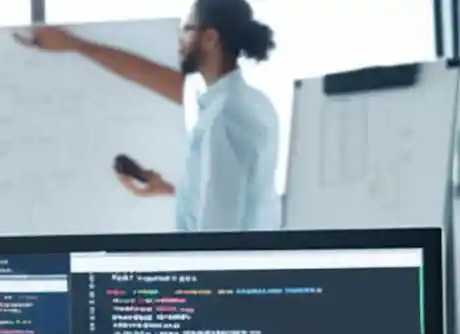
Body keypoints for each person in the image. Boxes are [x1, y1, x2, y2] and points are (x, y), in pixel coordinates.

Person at [17, 0, 281, 232]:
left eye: (187, 29)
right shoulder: (236, 101)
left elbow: (221, 235)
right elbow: (232, 204)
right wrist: (169, 190)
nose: (179, 37)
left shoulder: (228, 113)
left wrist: (76, 45)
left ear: (210, 38)